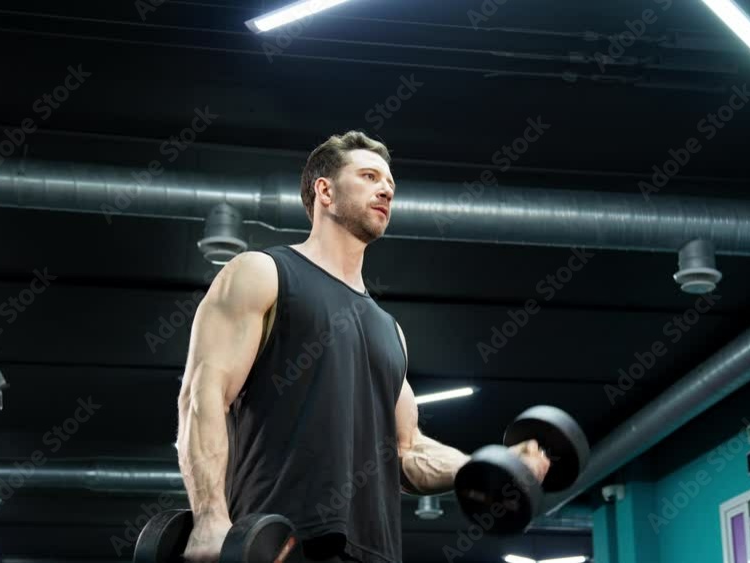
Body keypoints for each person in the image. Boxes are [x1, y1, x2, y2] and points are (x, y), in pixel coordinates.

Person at [175, 131, 550, 563]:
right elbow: (202, 396)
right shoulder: (263, 273)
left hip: (376, 552)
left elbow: (407, 454)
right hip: (279, 544)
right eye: (369, 176)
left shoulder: (390, 330)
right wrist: (209, 518)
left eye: (390, 183)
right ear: (325, 191)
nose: (386, 189)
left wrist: (493, 465)